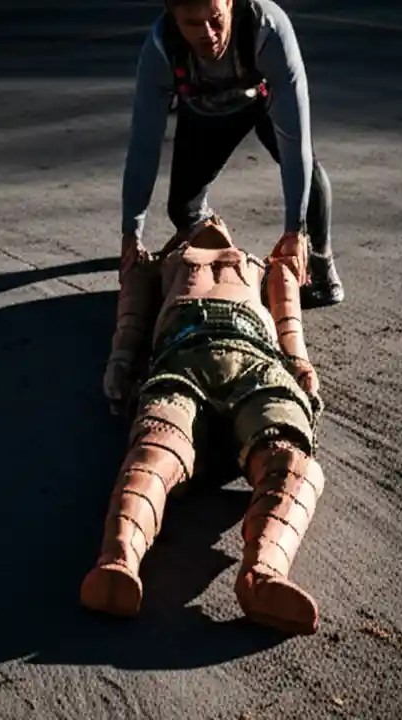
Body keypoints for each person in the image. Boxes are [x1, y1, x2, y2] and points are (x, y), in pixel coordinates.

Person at [79, 214, 328, 635]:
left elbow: (288, 313)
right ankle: (117, 562)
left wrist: (300, 361)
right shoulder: (161, 264)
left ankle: (264, 572)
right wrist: (120, 359)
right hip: (181, 358)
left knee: (291, 461)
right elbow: (132, 315)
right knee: (155, 451)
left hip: (258, 361)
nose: (213, 217)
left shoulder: (260, 265)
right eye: (200, 213)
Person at [120, 0, 344, 309]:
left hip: (263, 102)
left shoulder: (268, 30)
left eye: (215, 19)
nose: (208, 34)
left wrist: (295, 230)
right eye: (193, 24)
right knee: (181, 212)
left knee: (306, 173)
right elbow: (144, 144)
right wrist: (131, 233)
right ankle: (213, 245)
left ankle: (320, 266)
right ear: (173, 17)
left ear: (230, 2)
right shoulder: (161, 48)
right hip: (206, 110)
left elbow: (296, 143)